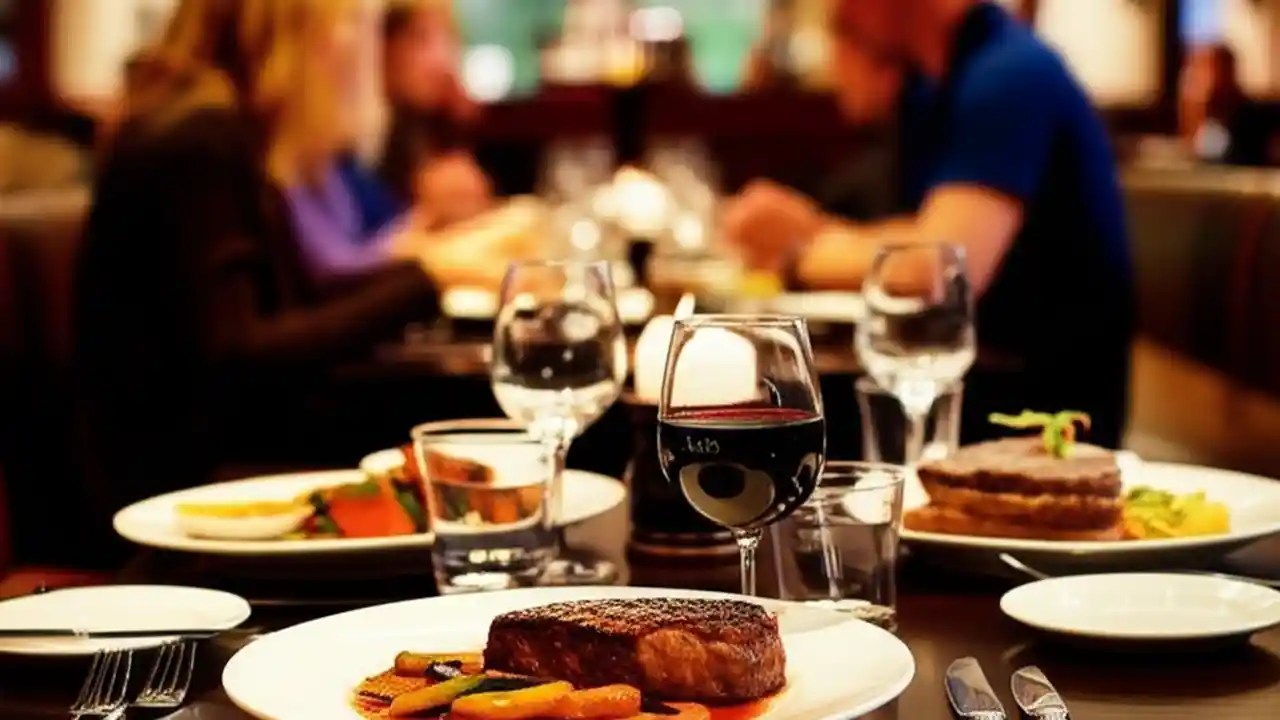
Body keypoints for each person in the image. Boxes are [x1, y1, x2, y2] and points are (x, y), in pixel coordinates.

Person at [75, 0, 446, 536]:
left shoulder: (222, 131)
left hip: (224, 455)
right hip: (186, 490)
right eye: (336, 30)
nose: (347, 50)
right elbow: (239, 353)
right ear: (284, 40)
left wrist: (423, 273)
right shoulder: (196, 143)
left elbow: (295, 304)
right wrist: (427, 279)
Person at [723, 0, 1133, 447]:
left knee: (764, 418)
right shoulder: (937, 78)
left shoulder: (1010, 73)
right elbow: (917, 231)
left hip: (1042, 413)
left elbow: (939, 268)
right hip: (968, 379)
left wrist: (796, 251)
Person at [378, 0, 493, 227]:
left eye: (449, 38)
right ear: (383, 48)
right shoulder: (365, 143)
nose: (440, 59)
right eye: (420, 39)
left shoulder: (437, 119)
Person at [1179, 44, 1273, 167]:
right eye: (1196, 71)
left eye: (1206, 70)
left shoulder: (1251, 120)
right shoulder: (1204, 118)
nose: (1198, 79)